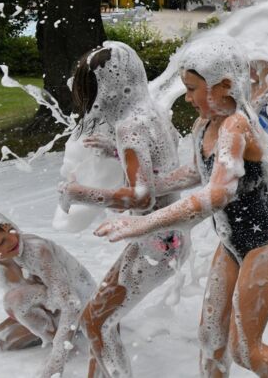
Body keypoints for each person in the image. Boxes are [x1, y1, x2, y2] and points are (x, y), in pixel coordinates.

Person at [94, 36, 268, 377]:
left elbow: (217, 193)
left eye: (192, 89)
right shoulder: (204, 124)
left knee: (246, 350)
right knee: (210, 337)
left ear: (224, 87)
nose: (187, 98)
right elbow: (196, 173)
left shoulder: (237, 125)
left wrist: (143, 224)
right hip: (232, 242)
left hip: (266, 243)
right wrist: (145, 186)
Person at [60, 41, 191, 377]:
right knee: (98, 318)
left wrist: (80, 193)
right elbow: (164, 162)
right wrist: (118, 151)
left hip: (157, 244)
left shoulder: (128, 126)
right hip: (164, 236)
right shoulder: (152, 111)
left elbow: (142, 197)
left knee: (96, 322)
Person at [0, 209, 96, 378]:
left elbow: (71, 303)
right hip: (45, 307)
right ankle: (53, 334)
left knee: (13, 301)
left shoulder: (36, 250)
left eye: (11, 229)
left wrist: (57, 360)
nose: (12, 239)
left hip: (83, 308)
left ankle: (65, 345)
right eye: (0, 244)